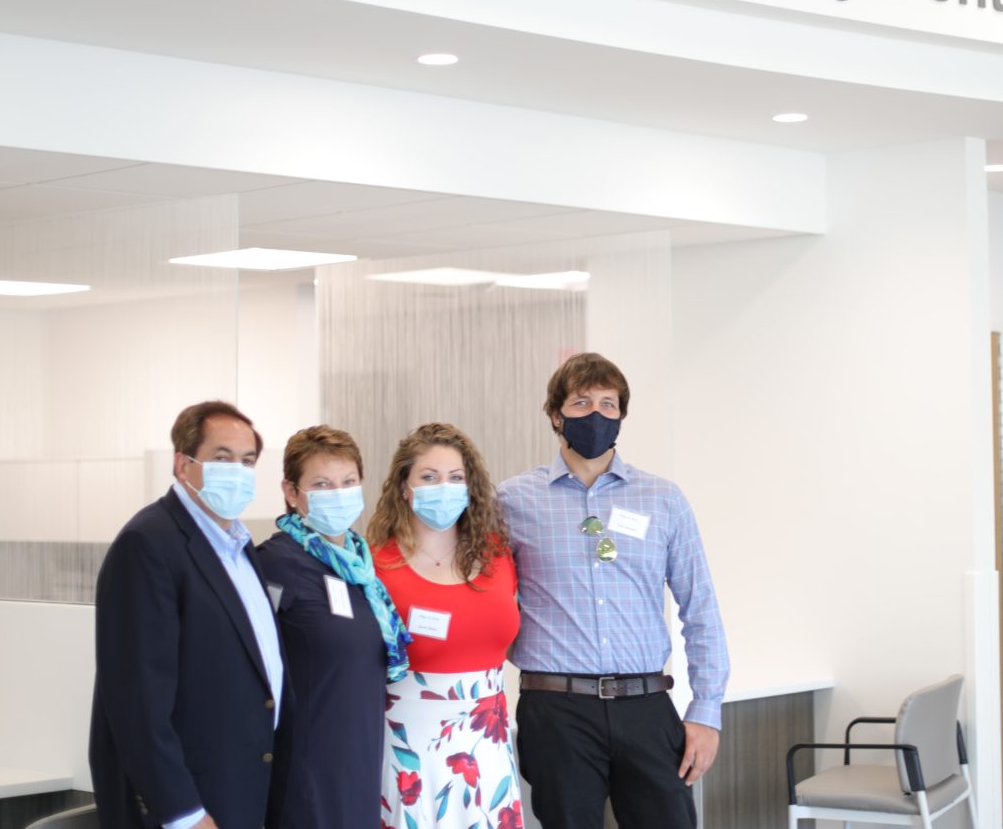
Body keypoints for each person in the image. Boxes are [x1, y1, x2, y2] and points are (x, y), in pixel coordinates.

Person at [498, 352, 729, 829]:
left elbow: (700, 608)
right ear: (556, 415)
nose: (597, 414)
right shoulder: (512, 501)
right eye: (582, 403)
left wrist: (706, 711)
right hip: (556, 710)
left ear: (622, 414)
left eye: (609, 403)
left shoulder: (662, 498)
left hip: (646, 706)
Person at [89, 401, 285, 829]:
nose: (237, 470)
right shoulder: (148, 544)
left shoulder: (237, 543)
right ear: (183, 465)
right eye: (222, 457)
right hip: (191, 805)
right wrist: (183, 813)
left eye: (247, 460)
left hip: (242, 787)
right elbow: (135, 700)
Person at [367, 423, 522, 829]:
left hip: (487, 745)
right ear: (404, 487)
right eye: (429, 477)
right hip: (407, 746)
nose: (444, 487)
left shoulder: (499, 555)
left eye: (456, 478)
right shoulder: (374, 564)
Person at [259, 425, 412, 829]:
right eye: (322, 484)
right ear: (292, 493)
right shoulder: (276, 563)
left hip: (360, 760)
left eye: (348, 482)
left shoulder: (363, 568)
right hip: (308, 765)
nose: (338, 493)